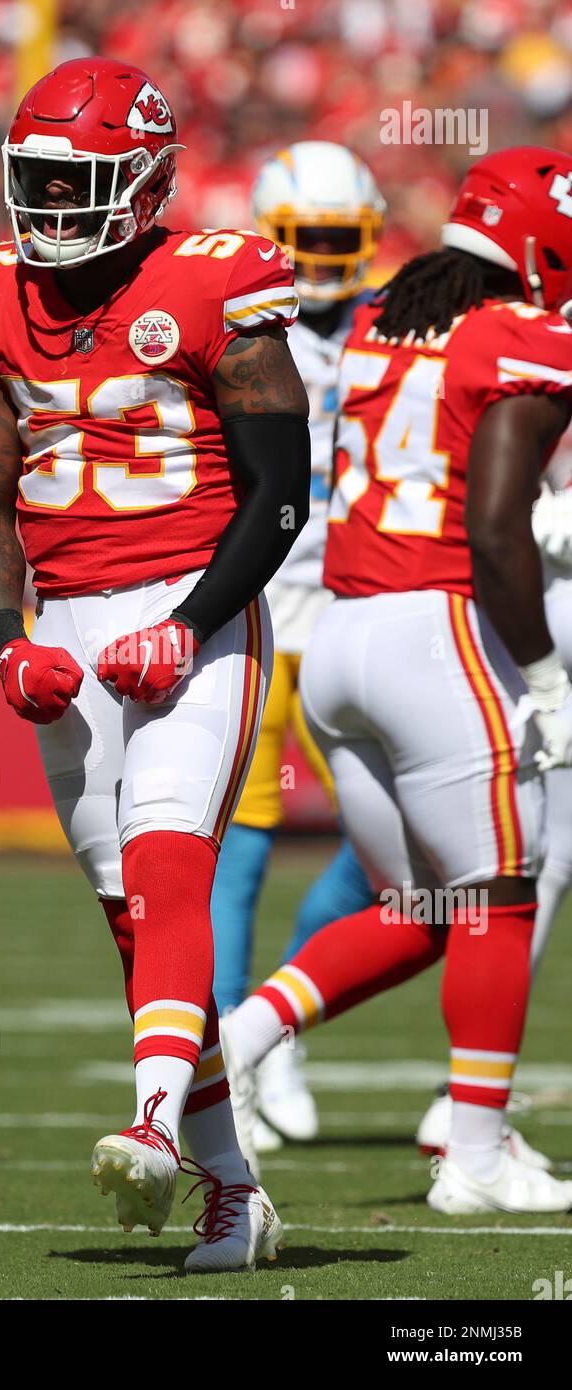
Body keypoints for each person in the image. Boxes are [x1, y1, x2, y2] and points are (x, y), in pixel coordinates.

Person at [0, 57, 310, 1270]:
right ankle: (232, 1189)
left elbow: (278, 494)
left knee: (166, 863)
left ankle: (152, 1119)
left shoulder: (215, 283)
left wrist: (193, 620)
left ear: (146, 180)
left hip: (192, 604)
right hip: (72, 619)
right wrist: (8, 643)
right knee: (128, 918)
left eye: (76, 179)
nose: (50, 205)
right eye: (36, 179)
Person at [221, 146, 572, 1214]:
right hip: (435, 633)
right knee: (503, 897)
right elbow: (496, 528)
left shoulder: (385, 321)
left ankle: (230, 1040)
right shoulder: (522, 334)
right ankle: (472, 1151)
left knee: (419, 908)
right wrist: (547, 679)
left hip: (336, 634)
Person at [211, 142, 381, 1158]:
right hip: (257, 604)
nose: (321, 261)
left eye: (336, 242)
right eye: (304, 241)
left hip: (361, 609)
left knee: (400, 844)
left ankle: (274, 1020)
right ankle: (233, 1046)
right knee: (237, 844)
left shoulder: (396, 321)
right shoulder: (227, 316)